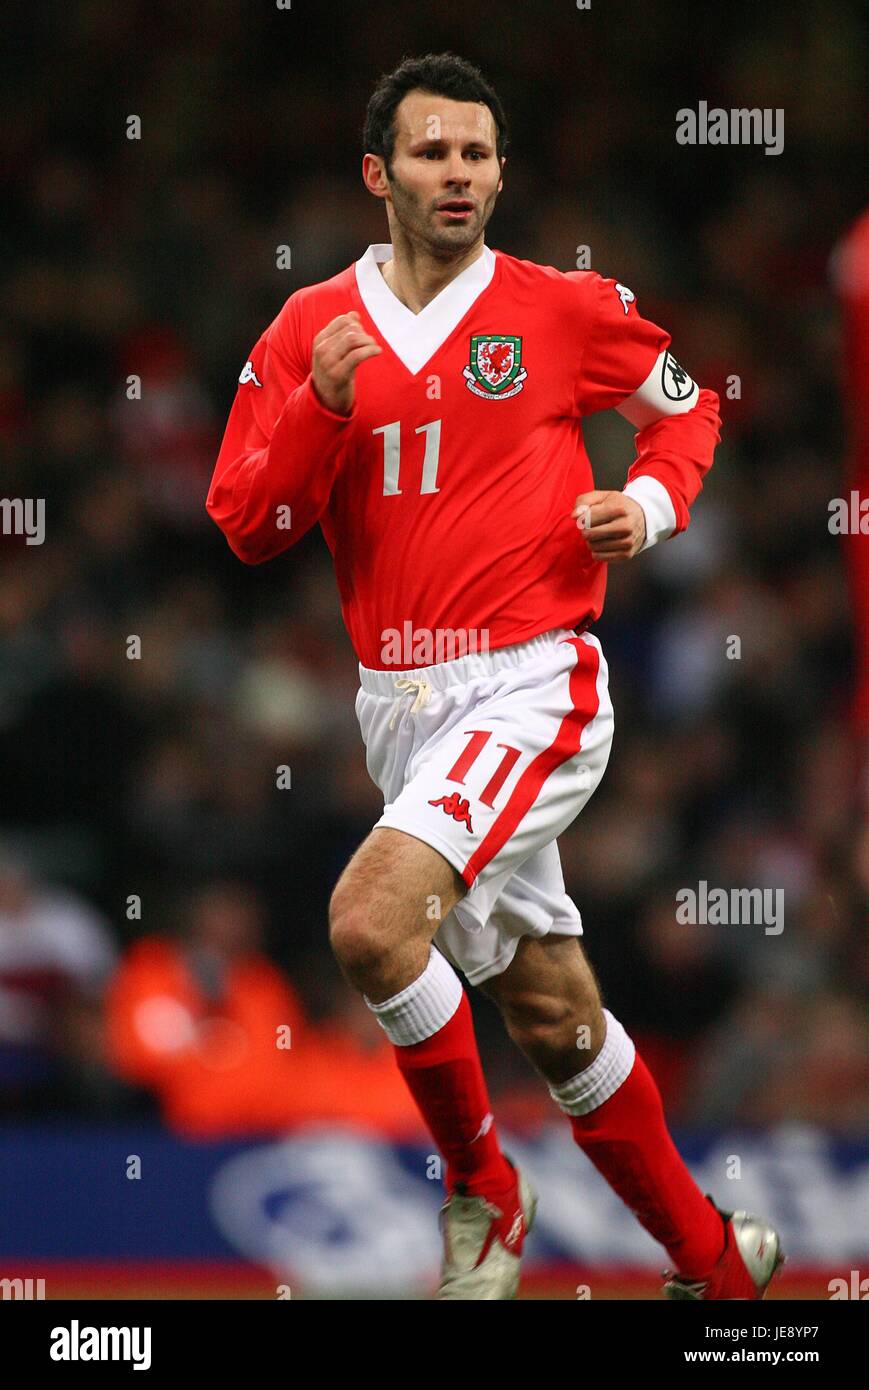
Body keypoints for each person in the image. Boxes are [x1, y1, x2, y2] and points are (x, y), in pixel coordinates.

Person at [206, 52, 784, 1300]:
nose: (457, 173)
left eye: (476, 154)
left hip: (533, 681)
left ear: (501, 174)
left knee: (368, 922)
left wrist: (647, 501)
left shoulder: (562, 308)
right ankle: (713, 1265)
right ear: (379, 174)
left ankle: (482, 1188)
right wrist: (317, 407)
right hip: (395, 710)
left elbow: (688, 411)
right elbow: (244, 522)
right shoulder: (312, 327)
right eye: (431, 151)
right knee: (550, 1013)